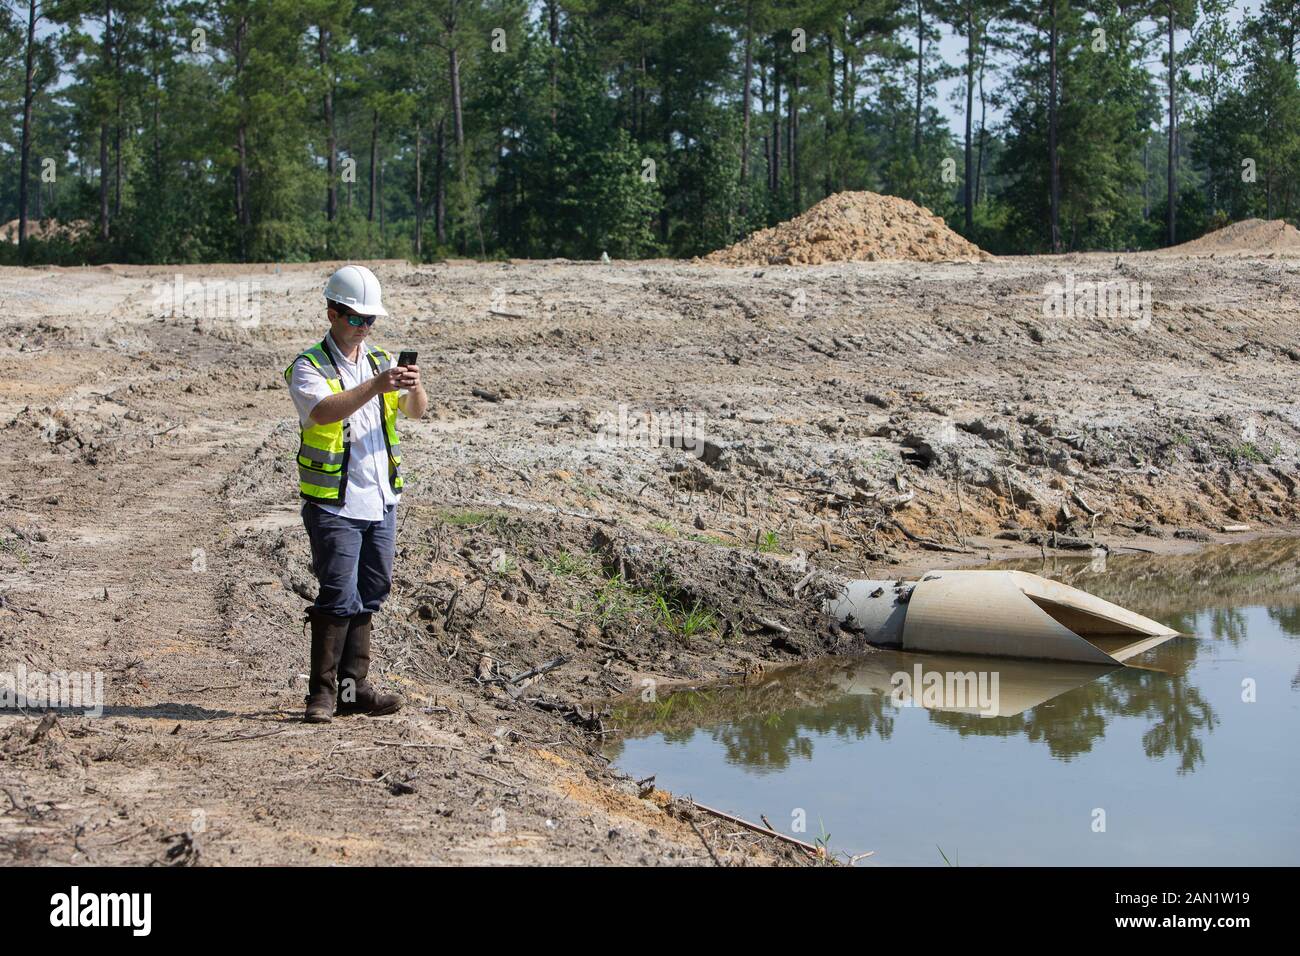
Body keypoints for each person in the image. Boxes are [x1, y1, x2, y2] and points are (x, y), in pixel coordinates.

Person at [283, 265, 427, 723]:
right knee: (337, 594)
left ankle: (352, 690)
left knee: (371, 590)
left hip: (381, 498)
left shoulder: (381, 360)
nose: (364, 328)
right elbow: (324, 412)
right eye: (356, 319)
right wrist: (377, 385)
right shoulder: (309, 366)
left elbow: (417, 412)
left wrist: (412, 384)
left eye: (370, 321)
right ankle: (321, 695)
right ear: (332, 313)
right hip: (335, 503)